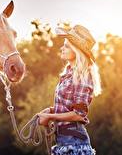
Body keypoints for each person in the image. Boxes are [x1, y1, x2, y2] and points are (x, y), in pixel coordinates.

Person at [38, 25, 102, 155]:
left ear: (76, 50)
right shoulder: (68, 73)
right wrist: (51, 110)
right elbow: (67, 106)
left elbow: (78, 114)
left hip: (74, 143)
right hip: (64, 141)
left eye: (66, 46)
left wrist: (50, 116)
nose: (62, 48)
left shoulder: (83, 76)